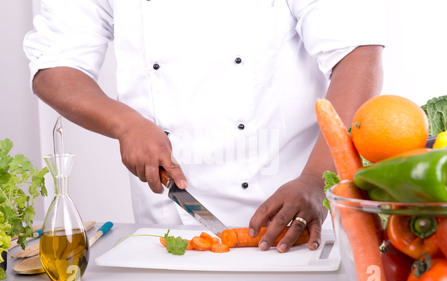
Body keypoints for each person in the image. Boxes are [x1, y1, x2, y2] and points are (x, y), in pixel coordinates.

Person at [24, 0, 386, 253]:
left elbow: (357, 54)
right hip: (169, 238)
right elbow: (55, 65)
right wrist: (125, 123)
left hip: (294, 228)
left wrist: (318, 178)